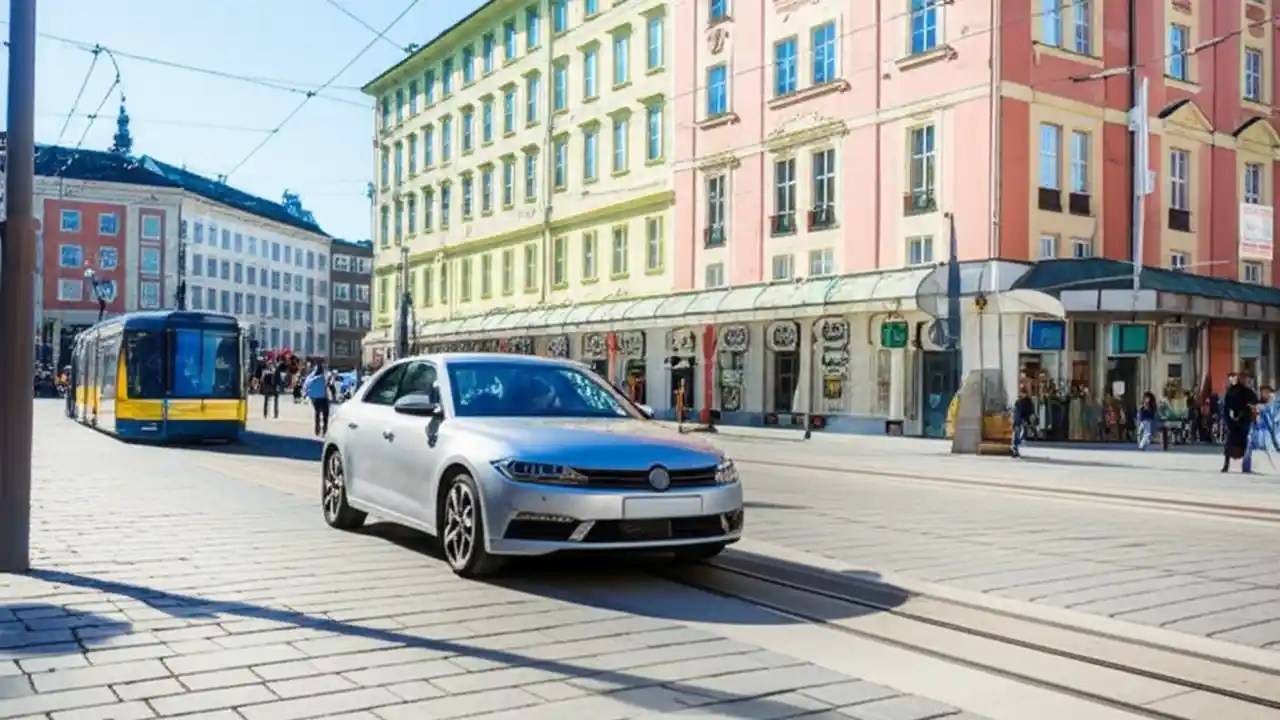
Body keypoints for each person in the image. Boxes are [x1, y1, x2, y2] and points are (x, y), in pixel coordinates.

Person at [1222, 372, 1258, 473]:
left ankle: (1245, 465)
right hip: (1233, 420)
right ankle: (1226, 464)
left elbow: (1255, 401)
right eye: (1242, 378)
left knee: (1246, 444)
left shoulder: (1248, 391)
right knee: (1230, 442)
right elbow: (1226, 406)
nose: (1243, 380)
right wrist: (1228, 419)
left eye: (1244, 379)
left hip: (1244, 420)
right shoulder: (1232, 390)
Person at [303, 362, 331, 436]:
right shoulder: (323, 376)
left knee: (317, 414)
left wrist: (306, 394)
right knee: (325, 415)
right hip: (324, 398)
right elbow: (327, 386)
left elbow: (306, 385)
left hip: (316, 399)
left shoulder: (312, 376)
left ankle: (317, 430)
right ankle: (324, 430)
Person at [1011, 386, 1036, 458]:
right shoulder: (1021, 401)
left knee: (1019, 435)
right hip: (1020, 421)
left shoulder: (1023, 401)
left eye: (1023, 393)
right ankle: (1015, 448)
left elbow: (1029, 412)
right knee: (1018, 435)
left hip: (1021, 420)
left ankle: (1015, 448)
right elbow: (1030, 412)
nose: (1022, 394)